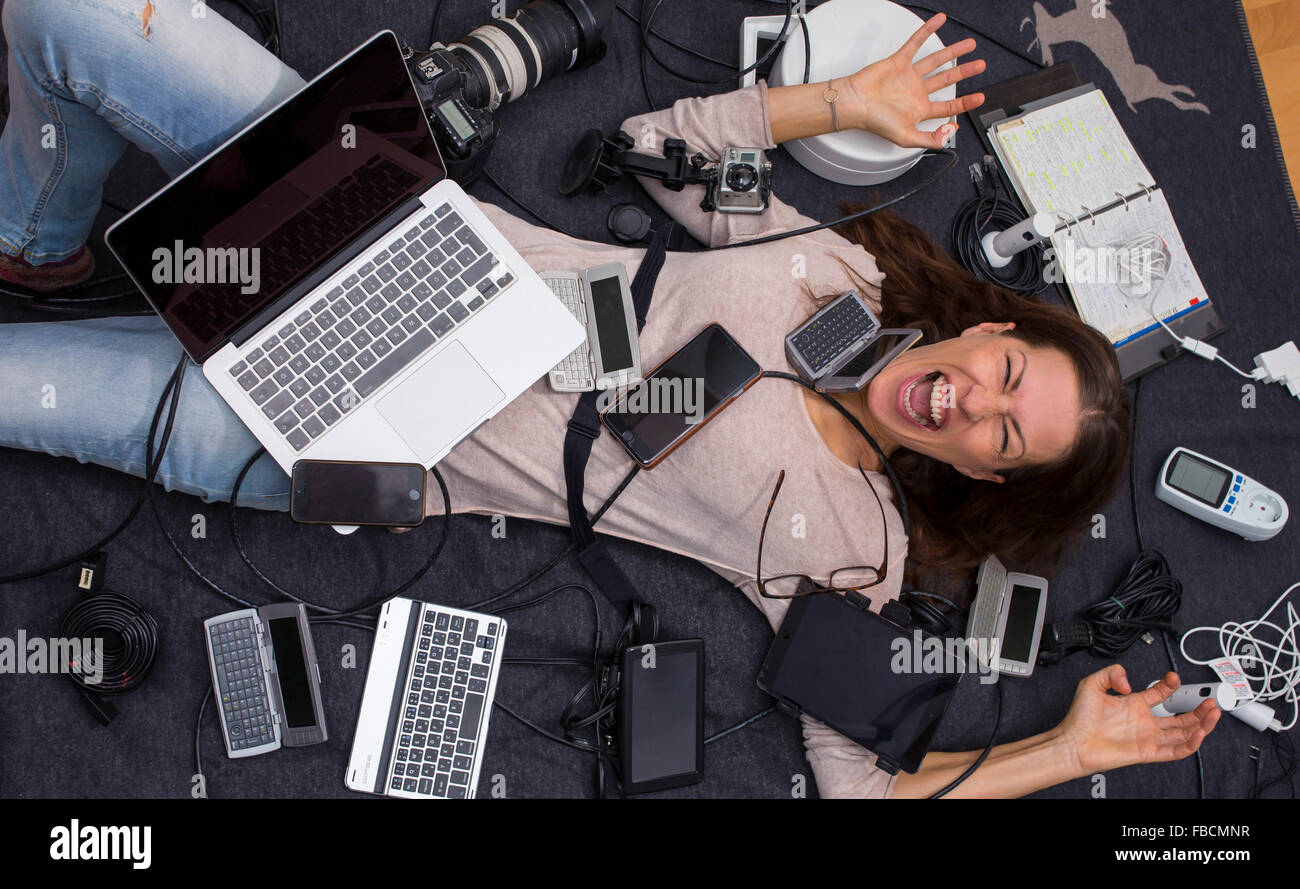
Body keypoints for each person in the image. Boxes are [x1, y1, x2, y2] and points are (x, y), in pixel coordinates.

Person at [0, 0, 1218, 797]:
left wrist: (1061, 749)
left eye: (1006, 436)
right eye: (1007, 375)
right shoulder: (839, 267)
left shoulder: (854, 557)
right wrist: (844, 106)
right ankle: (41, 244)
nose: (972, 403)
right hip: (387, 224)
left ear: (986, 479)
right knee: (71, 17)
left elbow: (861, 793)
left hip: (334, 438)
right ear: (993, 328)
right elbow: (663, 140)